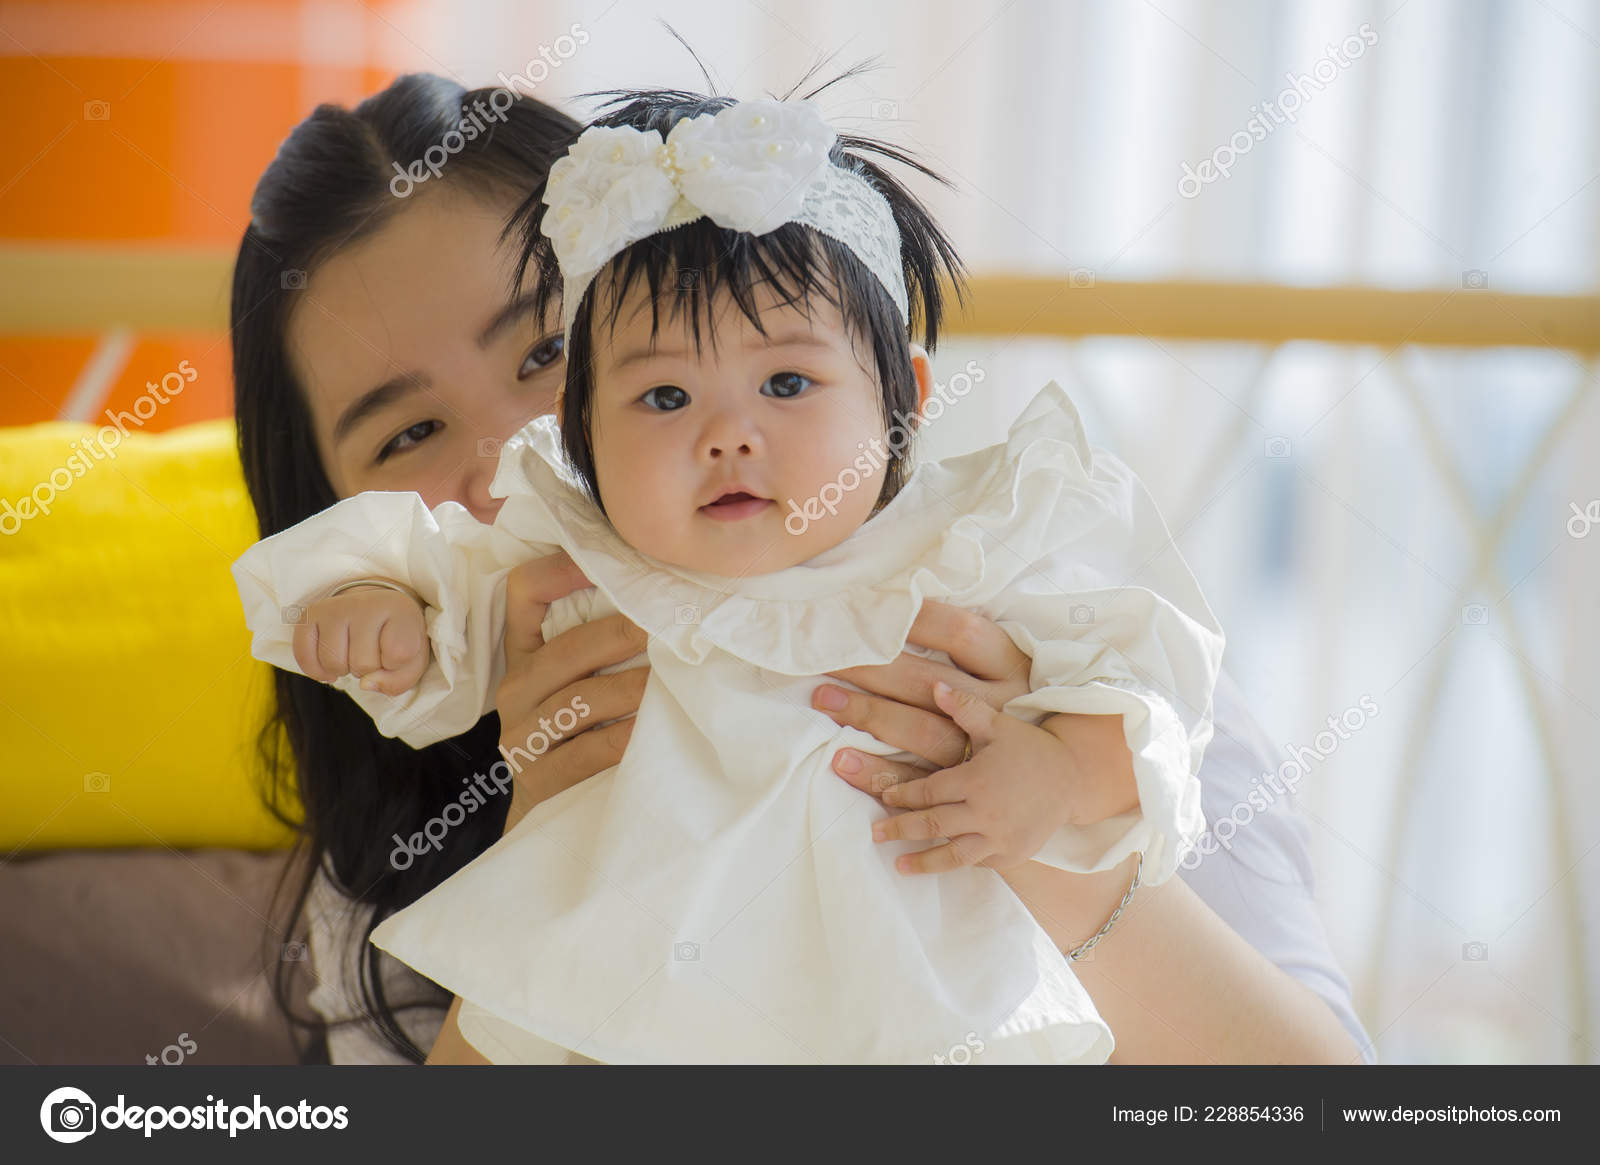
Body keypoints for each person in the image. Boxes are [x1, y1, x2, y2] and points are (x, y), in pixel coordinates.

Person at [231, 70, 1373, 1066]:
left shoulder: (1016, 612)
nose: (503, 470)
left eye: (547, 352)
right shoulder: (394, 857)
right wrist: (547, 849)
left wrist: (1042, 802)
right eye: (403, 438)